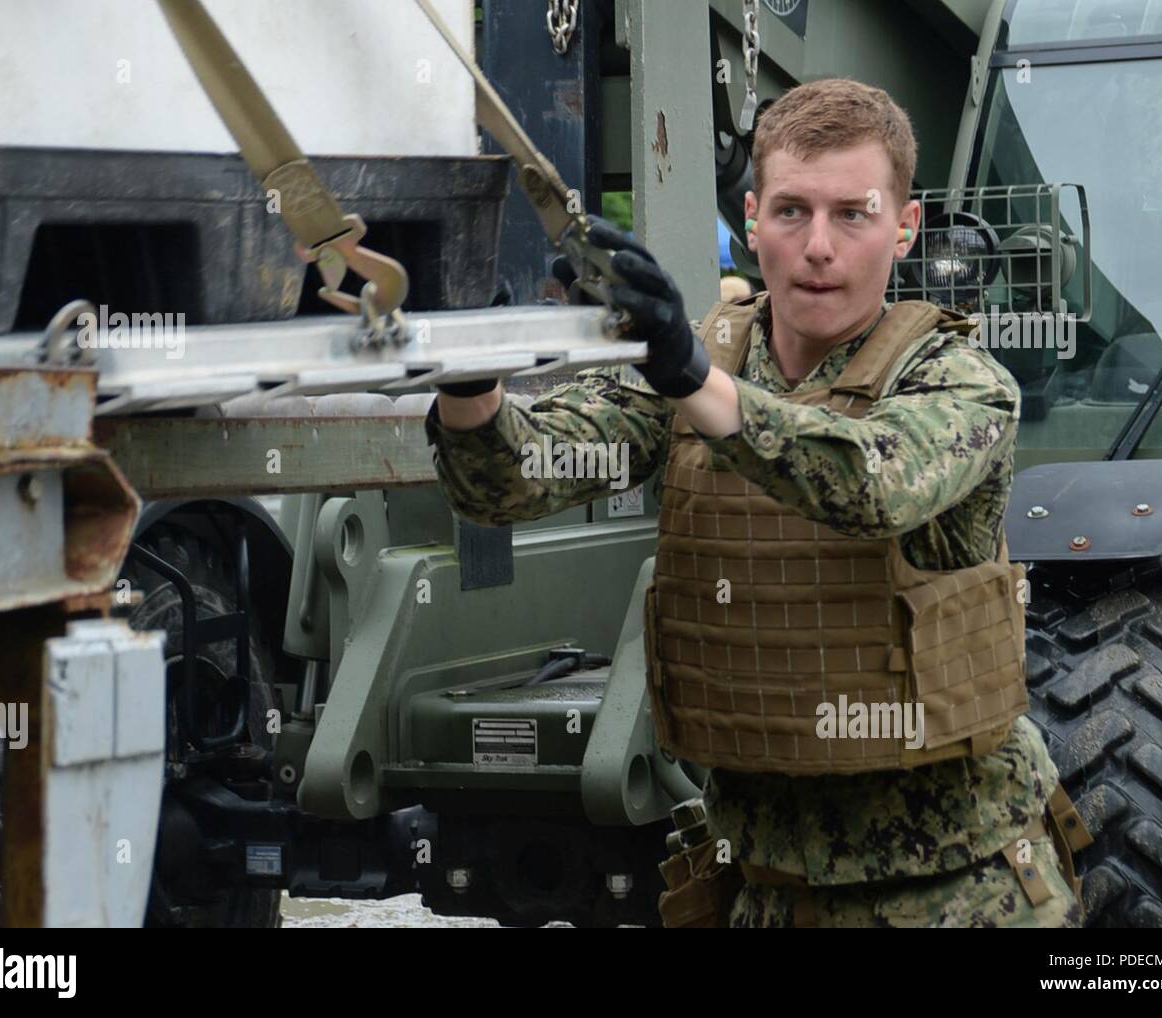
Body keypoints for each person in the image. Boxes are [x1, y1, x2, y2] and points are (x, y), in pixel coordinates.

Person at [424, 77, 1084, 927]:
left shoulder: (961, 380)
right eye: (791, 212)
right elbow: (508, 483)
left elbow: (872, 484)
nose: (818, 247)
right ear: (751, 218)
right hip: (763, 889)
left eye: (853, 213)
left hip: (958, 892)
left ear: (904, 227)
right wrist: (468, 379)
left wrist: (693, 380)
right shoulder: (703, 358)